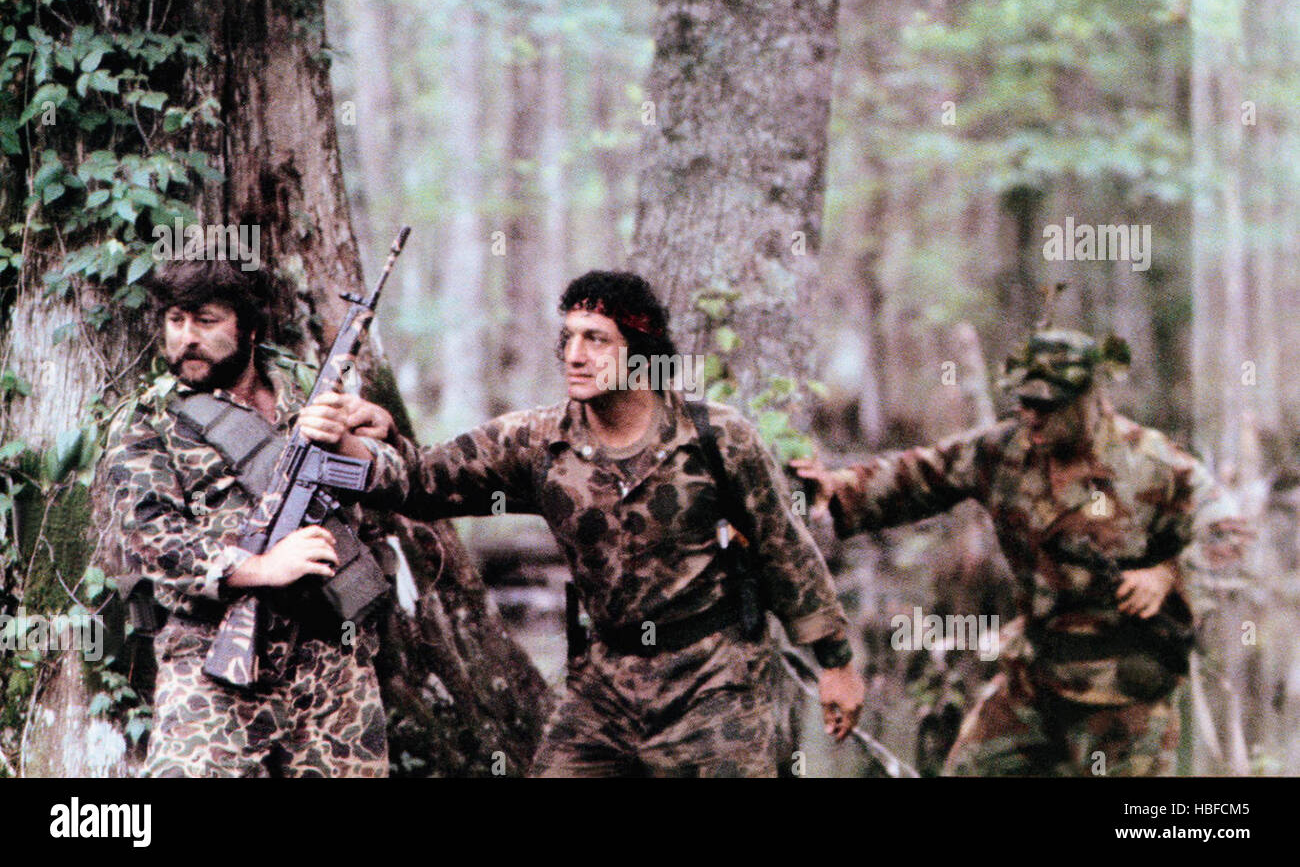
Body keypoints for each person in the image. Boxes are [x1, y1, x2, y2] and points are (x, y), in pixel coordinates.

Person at [351, 270, 864, 776]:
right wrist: (369, 440)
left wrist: (836, 663)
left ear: (640, 352)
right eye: (568, 338)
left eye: (596, 339)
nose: (574, 355)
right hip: (604, 686)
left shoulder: (715, 437)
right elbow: (423, 480)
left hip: (713, 687)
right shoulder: (538, 441)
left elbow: (784, 549)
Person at [794, 328, 1226, 776]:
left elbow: (1229, 533)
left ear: (1089, 399)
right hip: (1034, 680)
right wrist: (840, 487)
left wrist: (1168, 573)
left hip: (1126, 697)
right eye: (1024, 402)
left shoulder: (1152, 463)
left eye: (1046, 406)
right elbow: (924, 475)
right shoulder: (1003, 451)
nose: (1031, 417)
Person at [100, 258, 406, 777]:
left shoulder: (314, 394)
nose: (187, 337)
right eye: (176, 321)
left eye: (207, 321)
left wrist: (362, 441)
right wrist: (261, 568)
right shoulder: (148, 424)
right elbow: (152, 538)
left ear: (251, 327)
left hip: (333, 664)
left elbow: (398, 483)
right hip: (213, 662)